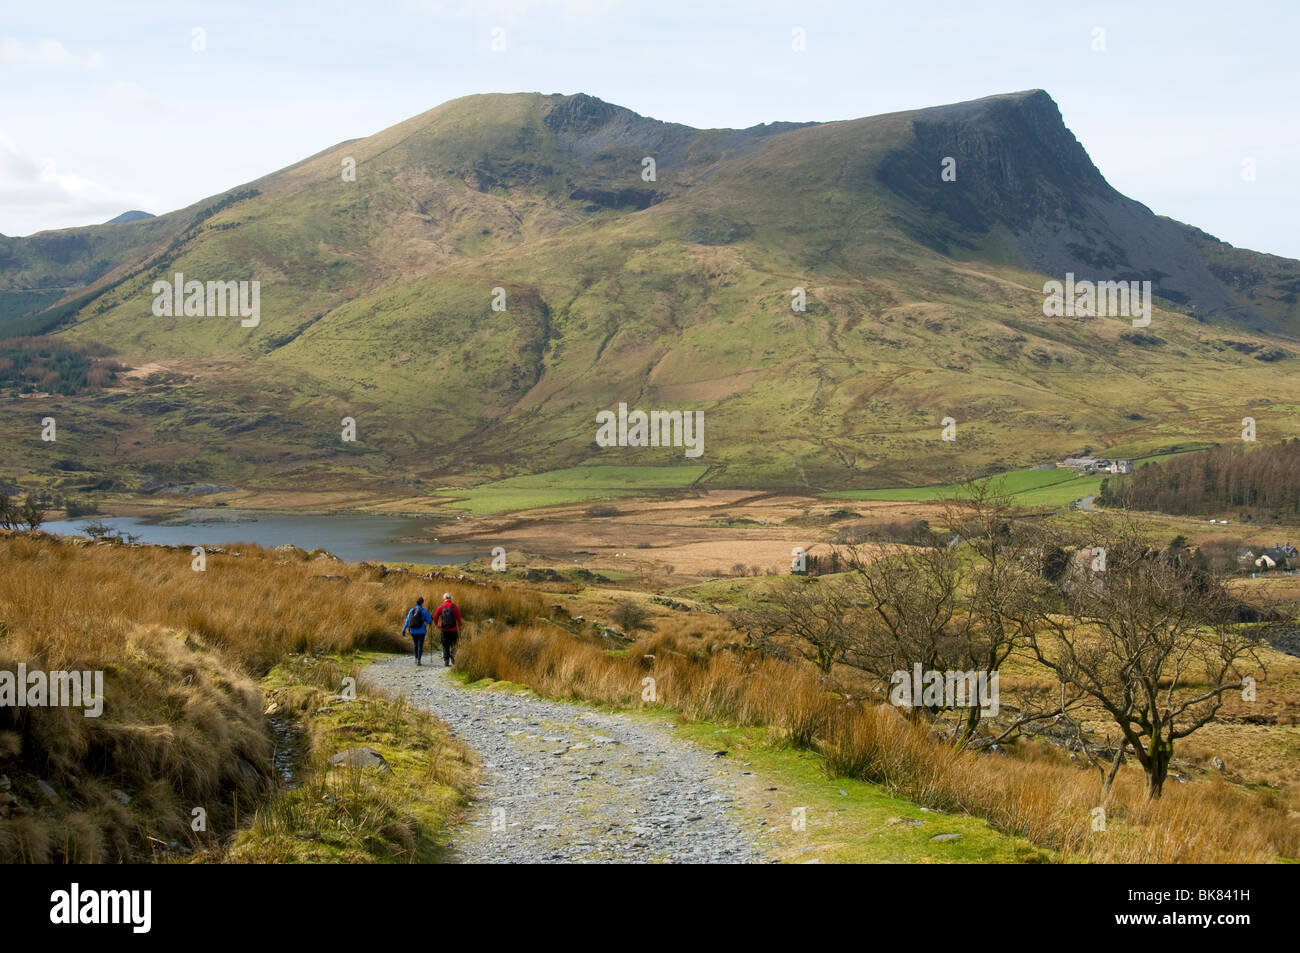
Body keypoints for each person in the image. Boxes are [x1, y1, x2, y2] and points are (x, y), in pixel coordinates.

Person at [402, 596, 432, 666]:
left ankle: (415, 658)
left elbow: (407, 621)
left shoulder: (411, 610)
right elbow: (429, 621)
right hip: (421, 631)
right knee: (420, 645)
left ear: (416, 602)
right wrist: (431, 618)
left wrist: (403, 630)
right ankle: (419, 660)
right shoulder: (424, 611)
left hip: (412, 631)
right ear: (422, 603)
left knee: (415, 644)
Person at [435, 592, 462, 667]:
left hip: (444, 630)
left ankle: (446, 660)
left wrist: (437, 625)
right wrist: (460, 627)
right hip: (453, 630)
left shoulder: (440, 607)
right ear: (450, 598)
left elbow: (435, 617)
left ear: (444, 599)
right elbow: (459, 618)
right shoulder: (454, 607)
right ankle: (453, 659)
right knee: (454, 645)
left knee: (445, 645)